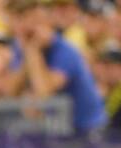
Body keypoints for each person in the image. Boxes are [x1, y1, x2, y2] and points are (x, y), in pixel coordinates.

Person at [8, 0, 106, 134]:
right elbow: (10, 92)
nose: (24, 27)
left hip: (88, 132)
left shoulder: (66, 51)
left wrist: (33, 52)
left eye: (35, 22)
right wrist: (29, 53)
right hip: (59, 131)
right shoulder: (22, 48)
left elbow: (44, 95)